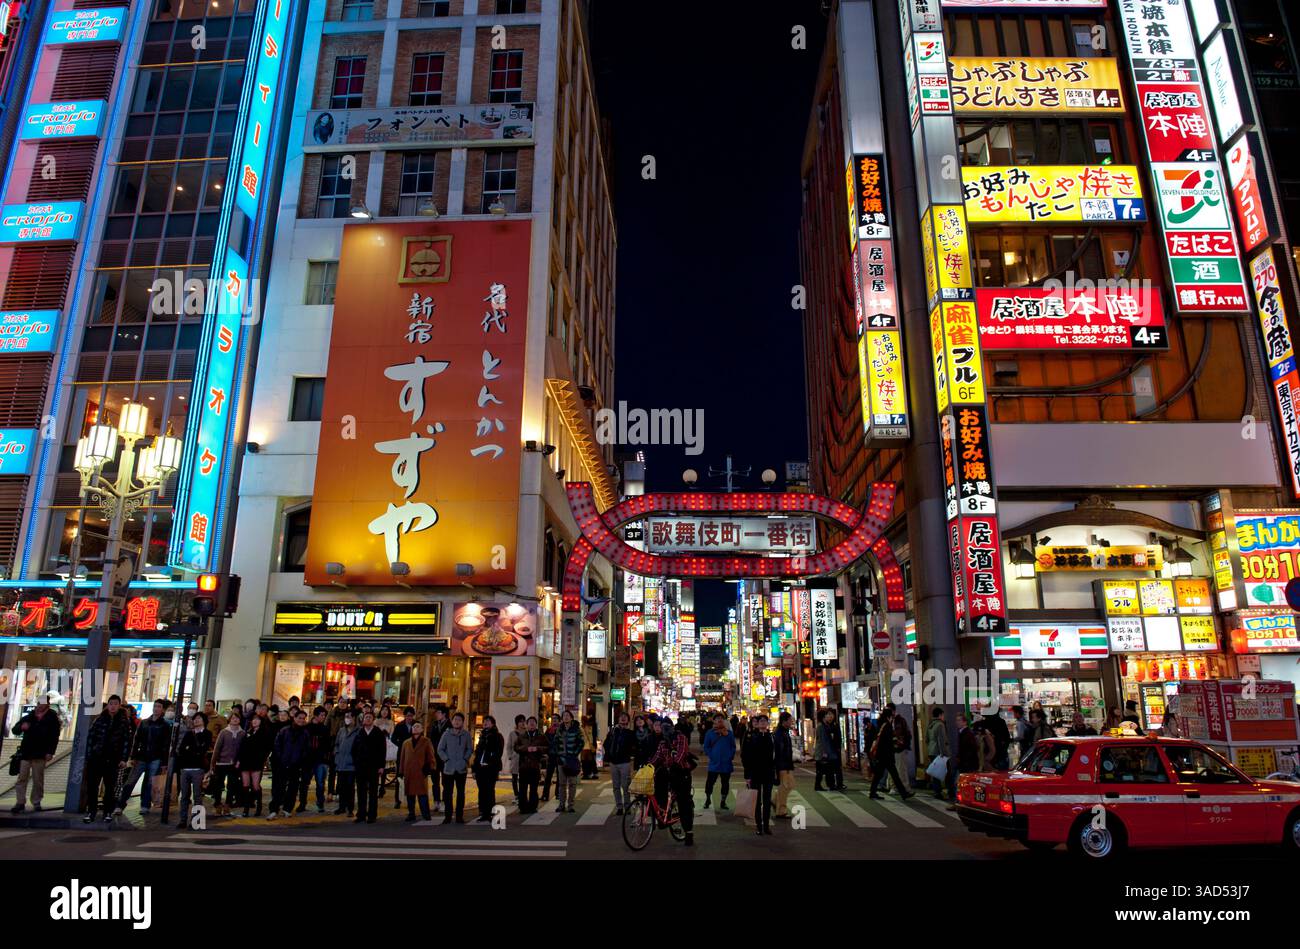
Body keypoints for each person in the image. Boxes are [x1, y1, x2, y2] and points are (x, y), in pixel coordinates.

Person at [116, 699, 172, 817]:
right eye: (155, 706)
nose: (156, 708)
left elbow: (166, 745)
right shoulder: (144, 722)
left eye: (159, 707)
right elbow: (136, 740)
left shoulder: (165, 725)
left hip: (156, 757)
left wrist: (164, 763)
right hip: (141, 756)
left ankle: (145, 805)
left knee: (149, 783)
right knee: (131, 781)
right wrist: (133, 756)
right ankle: (120, 805)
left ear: (162, 710)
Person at [83, 695, 133, 824]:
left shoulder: (123, 722)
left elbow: (127, 741)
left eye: (115, 704)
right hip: (96, 758)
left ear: (119, 706)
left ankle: (107, 812)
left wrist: (124, 759)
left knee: (110, 787)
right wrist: (89, 755)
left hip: (113, 759)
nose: (113, 706)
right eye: (111, 704)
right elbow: (91, 737)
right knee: (92, 786)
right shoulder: (100, 719)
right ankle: (91, 811)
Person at [9, 695, 62, 814]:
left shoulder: (52, 718)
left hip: (40, 753)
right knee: (22, 778)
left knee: (38, 779)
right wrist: (22, 727)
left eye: (42, 703)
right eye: (38, 703)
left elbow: (54, 737)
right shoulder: (30, 716)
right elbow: (15, 729)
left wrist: (50, 752)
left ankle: (36, 801)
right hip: (26, 752)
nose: (39, 706)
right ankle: (20, 802)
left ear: (47, 704)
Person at [649, 715, 694, 846]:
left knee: (683, 802)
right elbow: (657, 757)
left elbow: (681, 754)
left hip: (681, 773)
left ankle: (688, 832)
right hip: (668, 772)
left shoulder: (681, 738)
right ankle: (663, 816)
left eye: (667, 727)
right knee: (658, 790)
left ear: (672, 727)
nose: (664, 729)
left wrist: (674, 764)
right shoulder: (662, 742)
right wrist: (648, 765)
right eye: (662, 727)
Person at [269, 709, 309, 819]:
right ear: (294, 718)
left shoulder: (305, 733)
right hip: (282, 763)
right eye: (299, 718)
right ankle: (274, 809)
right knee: (279, 788)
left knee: (293, 788)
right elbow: (277, 745)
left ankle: (287, 809)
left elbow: (306, 749)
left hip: (296, 765)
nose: (301, 720)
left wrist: (300, 761)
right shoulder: (285, 730)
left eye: (303, 718)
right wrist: (281, 759)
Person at [175, 712, 213, 828]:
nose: (196, 720)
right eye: (195, 718)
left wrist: (190, 749)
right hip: (185, 768)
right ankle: (183, 820)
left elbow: (202, 749)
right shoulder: (188, 733)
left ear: (204, 721)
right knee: (184, 796)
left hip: (198, 768)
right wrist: (193, 750)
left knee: (197, 796)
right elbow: (182, 749)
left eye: (199, 718)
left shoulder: (207, 734)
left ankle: (197, 821)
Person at [350, 710, 388, 824]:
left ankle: (372, 815)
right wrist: (356, 763)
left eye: (370, 717)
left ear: (373, 719)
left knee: (373, 792)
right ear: (363, 719)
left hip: (374, 766)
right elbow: (354, 749)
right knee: (361, 791)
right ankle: (361, 814)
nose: (368, 719)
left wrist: (381, 766)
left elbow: (382, 750)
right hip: (361, 766)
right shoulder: (359, 732)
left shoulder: (378, 733)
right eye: (366, 717)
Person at [741, 713, 775, 836]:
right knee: (756, 800)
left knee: (767, 800)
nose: (763, 723)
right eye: (761, 721)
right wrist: (747, 775)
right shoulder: (752, 737)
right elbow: (746, 756)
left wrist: (775, 773)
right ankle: (759, 826)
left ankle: (766, 826)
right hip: (755, 773)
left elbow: (775, 756)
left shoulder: (771, 737)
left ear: (768, 723)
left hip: (768, 773)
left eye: (765, 721)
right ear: (757, 723)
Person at [869, 705, 912, 800]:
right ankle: (903, 793)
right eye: (891, 716)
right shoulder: (887, 726)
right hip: (886, 755)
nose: (892, 718)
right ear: (889, 716)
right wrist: (898, 742)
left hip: (882, 755)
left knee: (881, 775)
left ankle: (903, 793)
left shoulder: (881, 724)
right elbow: (889, 740)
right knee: (893, 775)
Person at [398, 718, 436, 823]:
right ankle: (411, 813)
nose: (415, 728)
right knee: (410, 795)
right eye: (414, 727)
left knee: (422, 794)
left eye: (418, 726)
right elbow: (402, 758)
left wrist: (430, 767)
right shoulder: (406, 743)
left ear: (422, 729)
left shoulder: (426, 741)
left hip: (421, 772)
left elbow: (431, 756)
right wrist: (401, 771)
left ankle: (425, 813)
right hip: (408, 772)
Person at [436, 711, 472, 824]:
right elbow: (440, 749)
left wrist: (465, 759)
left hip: (461, 769)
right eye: (455, 720)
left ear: (462, 722)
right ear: (452, 721)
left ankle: (459, 816)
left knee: (461, 793)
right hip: (448, 769)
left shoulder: (466, 735)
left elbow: (470, 749)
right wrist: (446, 759)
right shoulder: (446, 734)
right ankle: (448, 816)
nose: (457, 722)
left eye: (459, 720)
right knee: (447, 793)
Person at [237, 710, 272, 817]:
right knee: (245, 785)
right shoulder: (248, 732)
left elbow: (267, 748)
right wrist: (239, 760)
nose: (255, 721)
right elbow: (242, 747)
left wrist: (263, 759)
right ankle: (246, 808)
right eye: (253, 720)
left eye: (257, 719)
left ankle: (259, 806)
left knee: (255, 786)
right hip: (245, 761)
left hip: (256, 762)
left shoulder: (265, 733)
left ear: (261, 721)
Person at [209, 709, 244, 817]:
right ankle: (218, 805)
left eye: (237, 718)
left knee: (232, 785)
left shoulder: (242, 733)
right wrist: (213, 763)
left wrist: (240, 761)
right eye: (233, 718)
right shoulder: (224, 732)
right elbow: (217, 748)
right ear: (229, 720)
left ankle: (228, 805)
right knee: (218, 785)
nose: (235, 720)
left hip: (234, 764)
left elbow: (243, 749)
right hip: (221, 763)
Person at [602, 711, 637, 815]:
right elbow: (606, 743)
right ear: (618, 719)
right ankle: (619, 807)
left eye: (625, 717)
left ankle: (627, 806)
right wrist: (610, 754)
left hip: (625, 762)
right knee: (616, 786)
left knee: (625, 786)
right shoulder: (613, 732)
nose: (623, 718)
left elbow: (634, 746)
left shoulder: (630, 733)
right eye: (621, 717)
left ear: (628, 720)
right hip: (613, 762)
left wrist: (629, 754)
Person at [471, 715, 505, 822]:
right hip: (480, 768)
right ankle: (483, 813)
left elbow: (498, 752)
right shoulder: (482, 736)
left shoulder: (497, 736)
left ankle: (491, 812)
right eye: (484, 721)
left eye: (488, 721)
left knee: (489, 790)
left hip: (490, 768)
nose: (485, 723)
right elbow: (478, 753)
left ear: (493, 723)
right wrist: (474, 768)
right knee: (482, 791)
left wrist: (490, 760)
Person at [551, 710, 584, 813]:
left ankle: (570, 805)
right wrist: (558, 753)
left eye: (567, 715)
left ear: (571, 718)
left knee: (572, 784)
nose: (565, 717)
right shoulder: (559, 729)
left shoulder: (576, 729)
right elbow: (555, 742)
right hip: (561, 760)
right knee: (561, 784)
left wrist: (574, 754)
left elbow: (581, 743)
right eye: (564, 715)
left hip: (572, 760)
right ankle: (561, 805)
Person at [702, 714, 736, 809]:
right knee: (710, 783)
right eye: (717, 718)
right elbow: (706, 747)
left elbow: (733, 746)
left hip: (726, 763)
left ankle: (723, 801)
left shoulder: (729, 733)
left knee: (725, 783)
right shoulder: (710, 733)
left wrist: (730, 756)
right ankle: (708, 799)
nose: (720, 720)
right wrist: (712, 756)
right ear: (714, 721)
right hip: (714, 763)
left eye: (721, 718)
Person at [514, 716, 546, 814]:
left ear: (536, 725)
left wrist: (537, 749)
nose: (532, 724)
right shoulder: (521, 736)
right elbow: (516, 747)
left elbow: (547, 747)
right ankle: (523, 807)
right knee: (522, 788)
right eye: (530, 722)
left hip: (535, 766)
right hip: (523, 766)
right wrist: (526, 748)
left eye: (533, 722)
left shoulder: (541, 736)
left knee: (533, 788)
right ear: (527, 725)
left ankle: (532, 807)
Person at [332, 708, 359, 816]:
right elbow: (336, 744)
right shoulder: (341, 730)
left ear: (354, 718)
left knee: (350, 787)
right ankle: (341, 807)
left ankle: (350, 809)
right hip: (341, 763)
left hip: (352, 764)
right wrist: (337, 754)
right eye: (346, 717)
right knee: (341, 786)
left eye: (349, 717)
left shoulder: (358, 731)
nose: (347, 719)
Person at [389, 705, 417, 808]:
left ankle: (411, 801)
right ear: (405, 716)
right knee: (399, 776)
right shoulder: (399, 726)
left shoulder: (416, 725)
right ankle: (397, 800)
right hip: (402, 753)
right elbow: (393, 738)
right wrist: (401, 745)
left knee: (412, 778)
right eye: (408, 715)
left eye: (411, 716)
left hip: (414, 754)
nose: (409, 718)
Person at [773, 711, 796, 819]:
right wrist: (784, 764)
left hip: (785, 764)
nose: (792, 722)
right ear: (784, 721)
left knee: (788, 785)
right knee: (785, 787)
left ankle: (774, 801)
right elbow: (780, 751)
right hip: (783, 764)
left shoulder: (784, 732)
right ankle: (781, 811)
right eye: (790, 720)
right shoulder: (780, 733)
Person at [814, 709, 844, 791]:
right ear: (824, 717)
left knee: (827, 770)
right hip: (823, 752)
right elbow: (823, 740)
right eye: (827, 715)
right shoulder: (821, 726)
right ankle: (819, 785)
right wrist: (824, 752)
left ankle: (829, 785)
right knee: (821, 770)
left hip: (826, 752)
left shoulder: (825, 725)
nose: (829, 716)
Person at [427, 705, 449, 812]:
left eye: (438, 712)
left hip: (445, 757)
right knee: (435, 780)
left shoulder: (449, 725)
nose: (436, 714)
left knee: (446, 781)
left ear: (444, 714)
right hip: (434, 756)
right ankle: (436, 801)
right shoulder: (434, 724)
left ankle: (445, 802)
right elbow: (430, 739)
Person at [926, 707, 950, 799]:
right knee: (947, 771)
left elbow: (926, 739)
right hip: (939, 752)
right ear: (940, 715)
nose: (944, 717)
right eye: (943, 715)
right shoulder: (940, 725)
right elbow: (941, 740)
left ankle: (937, 792)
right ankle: (950, 791)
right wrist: (943, 753)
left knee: (935, 773)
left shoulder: (930, 725)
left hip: (931, 751)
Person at [506, 714, 527, 806]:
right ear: (517, 723)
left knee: (523, 777)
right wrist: (510, 756)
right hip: (515, 758)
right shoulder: (512, 733)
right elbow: (508, 746)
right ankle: (516, 795)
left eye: (523, 721)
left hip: (525, 759)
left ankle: (522, 794)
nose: (522, 723)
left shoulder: (527, 733)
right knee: (514, 778)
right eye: (520, 721)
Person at [541, 713, 561, 803]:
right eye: (553, 719)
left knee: (560, 776)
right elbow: (544, 742)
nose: (554, 720)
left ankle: (558, 794)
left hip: (560, 756)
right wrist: (545, 753)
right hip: (551, 756)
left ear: (559, 720)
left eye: (556, 718)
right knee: (548, 776)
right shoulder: (548, 731)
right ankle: (545, 795)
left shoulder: (561, 730)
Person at [983, 705, 1011, 770]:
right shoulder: (1001, 722)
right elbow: (1007, 739)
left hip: (989, 756)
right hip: (1000, 755)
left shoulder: (984, 723)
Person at [579, 714, 598, 780]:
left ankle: (587, 774)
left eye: (582, 720)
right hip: (587, 746)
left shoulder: (585, 727)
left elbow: (590, 737)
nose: (582, 721)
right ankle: (589, 773)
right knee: (589, 761)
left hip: (587, 746)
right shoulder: (587, 727)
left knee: (586, 761)